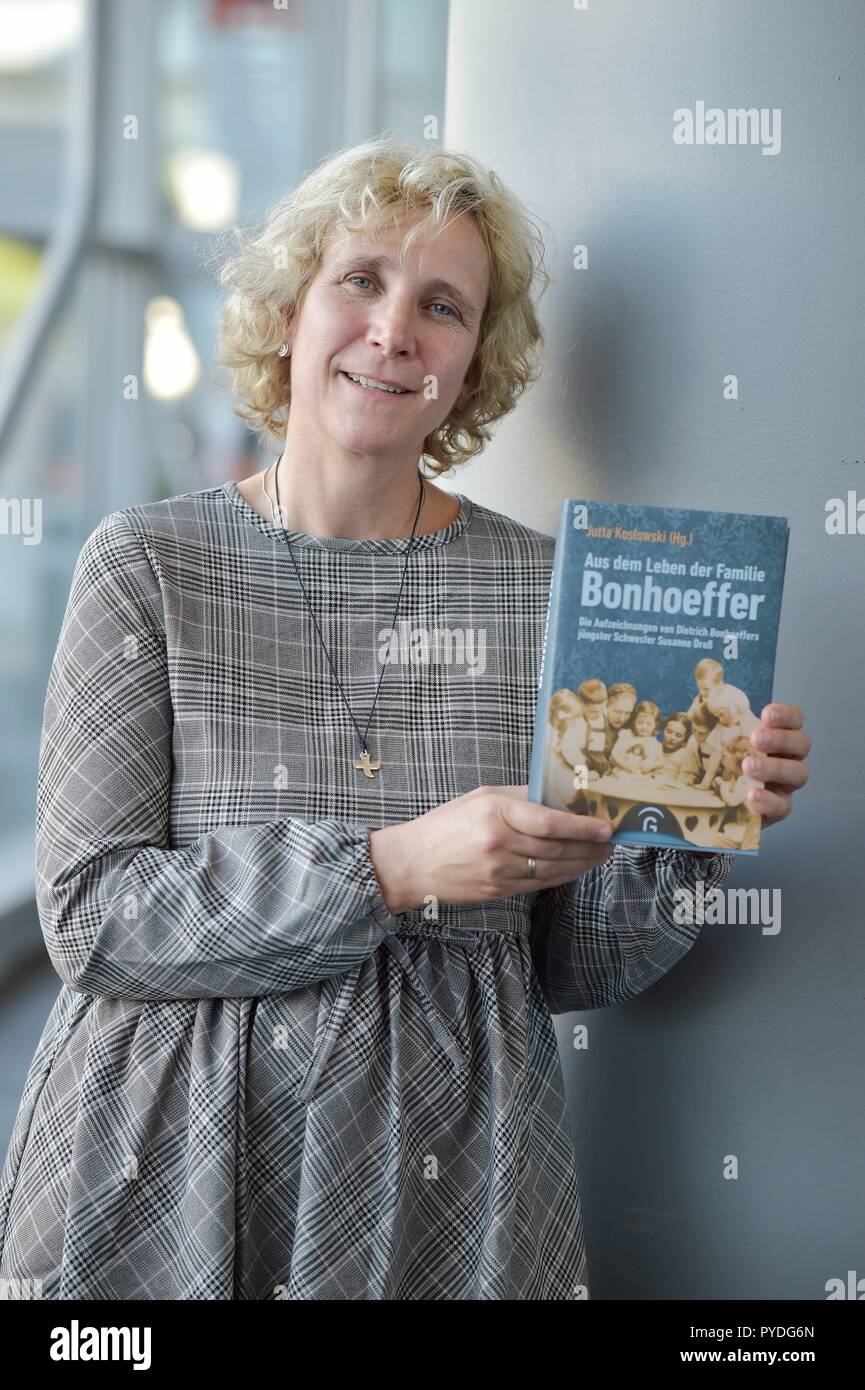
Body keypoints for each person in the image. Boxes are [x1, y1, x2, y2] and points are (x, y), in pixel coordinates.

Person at [0, 138, 811, 1301]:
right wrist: (385, 869)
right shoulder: (146, 564)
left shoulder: (546, 591)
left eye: (441, 305)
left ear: (472, 362)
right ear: (290, 309)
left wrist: (689, 815)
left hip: (446, 1182)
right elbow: (89, 916)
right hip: (168, 1160)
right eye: (361, 281)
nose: (394, 332)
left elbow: (574, 960)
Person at [609, 700, 664, 776]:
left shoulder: (655, 743)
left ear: (655, 725)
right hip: (622, 773)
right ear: (634, 722)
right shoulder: (626, 735)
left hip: (644, 777)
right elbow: (614, 754)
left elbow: (661, 761)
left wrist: (651, 766)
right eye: (640, 723)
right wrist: (627, 766)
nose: (644, 727)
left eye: (648, 724)